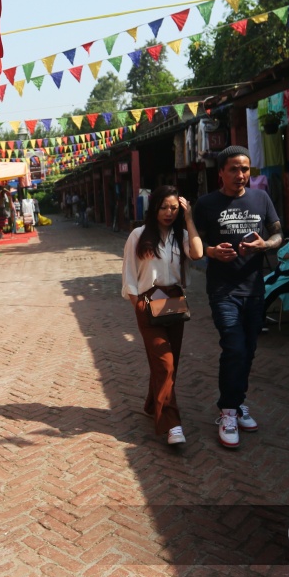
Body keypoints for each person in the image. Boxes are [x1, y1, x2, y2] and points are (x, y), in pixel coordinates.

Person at [189, 146, 282, 449]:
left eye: (245, 169)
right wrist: (213, 252)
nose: (241, 175)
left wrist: (265, 246)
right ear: (221, 173)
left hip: (255, 288)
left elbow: (280, 235)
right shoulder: (206, 203)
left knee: (249, 349)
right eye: (234, 169)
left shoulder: (261, 198)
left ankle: (237, 402)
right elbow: (196, 244)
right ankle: (228, 412)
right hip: (222, 289)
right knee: (234, 347)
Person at [122, 185, 198, 445]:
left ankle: (151, 403)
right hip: (148, 300)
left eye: (174, 208)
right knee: (164, 364)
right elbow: (129, 274)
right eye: (164, 207)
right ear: (154, 208)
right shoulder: (138, 235)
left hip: (173, 301)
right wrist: (138, 306)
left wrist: (189, 219)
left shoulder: (182, 236)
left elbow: (198, 254)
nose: (168, 213)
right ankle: (171, 424)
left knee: (169, 363)